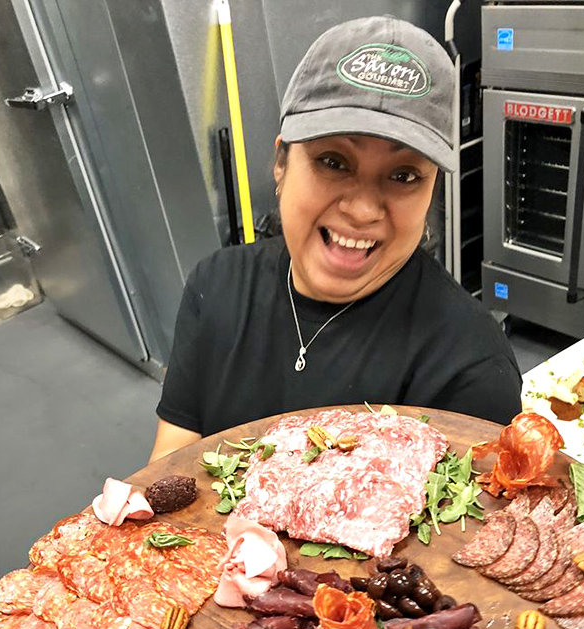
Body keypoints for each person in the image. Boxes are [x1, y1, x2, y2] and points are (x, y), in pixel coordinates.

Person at [150, 16, 521, 462]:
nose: (363, 210)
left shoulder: (469, 367)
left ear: (430, 193)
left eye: (403, 175)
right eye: (333, 161)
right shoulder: (216, 287)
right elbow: (171, 464)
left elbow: (467, 531)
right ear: (281, 163)